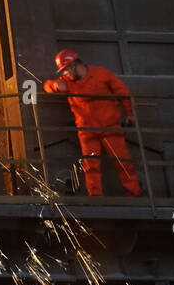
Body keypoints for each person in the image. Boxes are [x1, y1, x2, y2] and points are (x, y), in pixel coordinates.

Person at [42, 49, 142, 196]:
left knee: (123, 163)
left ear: (74, 65)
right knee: (90, 166)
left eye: (66, 70)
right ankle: (96, 199)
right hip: (87, 130)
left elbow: (123, 93)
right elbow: (47, 86)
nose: (65, 74)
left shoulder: (102, 74)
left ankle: (135, 195)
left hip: (110, 127)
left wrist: (130, 114)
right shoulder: (67, 81)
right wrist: (55, 86)